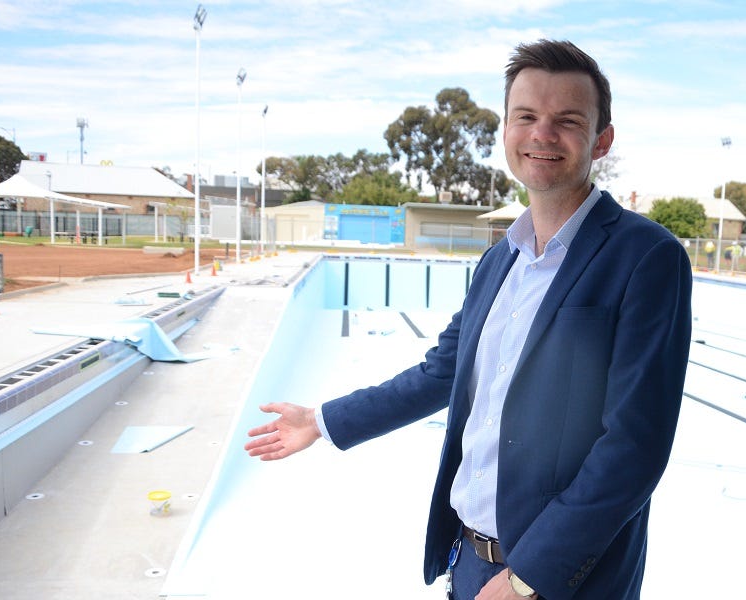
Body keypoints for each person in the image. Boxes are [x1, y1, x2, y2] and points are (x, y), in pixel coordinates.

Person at [244, 39, 692, 600]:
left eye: (567, 120)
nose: (542, 134)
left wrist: (530, 577)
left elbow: (635, 446)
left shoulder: (646, 255)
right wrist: (323, 420)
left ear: (602, 139)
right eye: (526, 116)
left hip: (559, 578)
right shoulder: (499, 259)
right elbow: (443, 372)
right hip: (470, 557)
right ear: (506, 129)